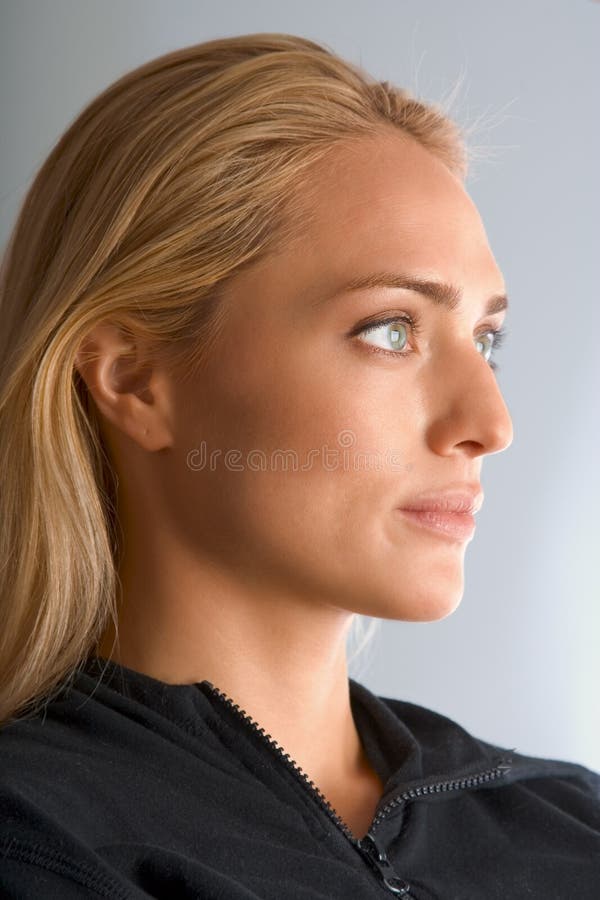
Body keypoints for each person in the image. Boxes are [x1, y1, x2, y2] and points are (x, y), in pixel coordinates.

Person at [0, 32, 598, 900]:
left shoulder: (566, 821)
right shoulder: (41, 842)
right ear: (135, 379)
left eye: (485, 340)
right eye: (391, 329)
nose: (490, 424)